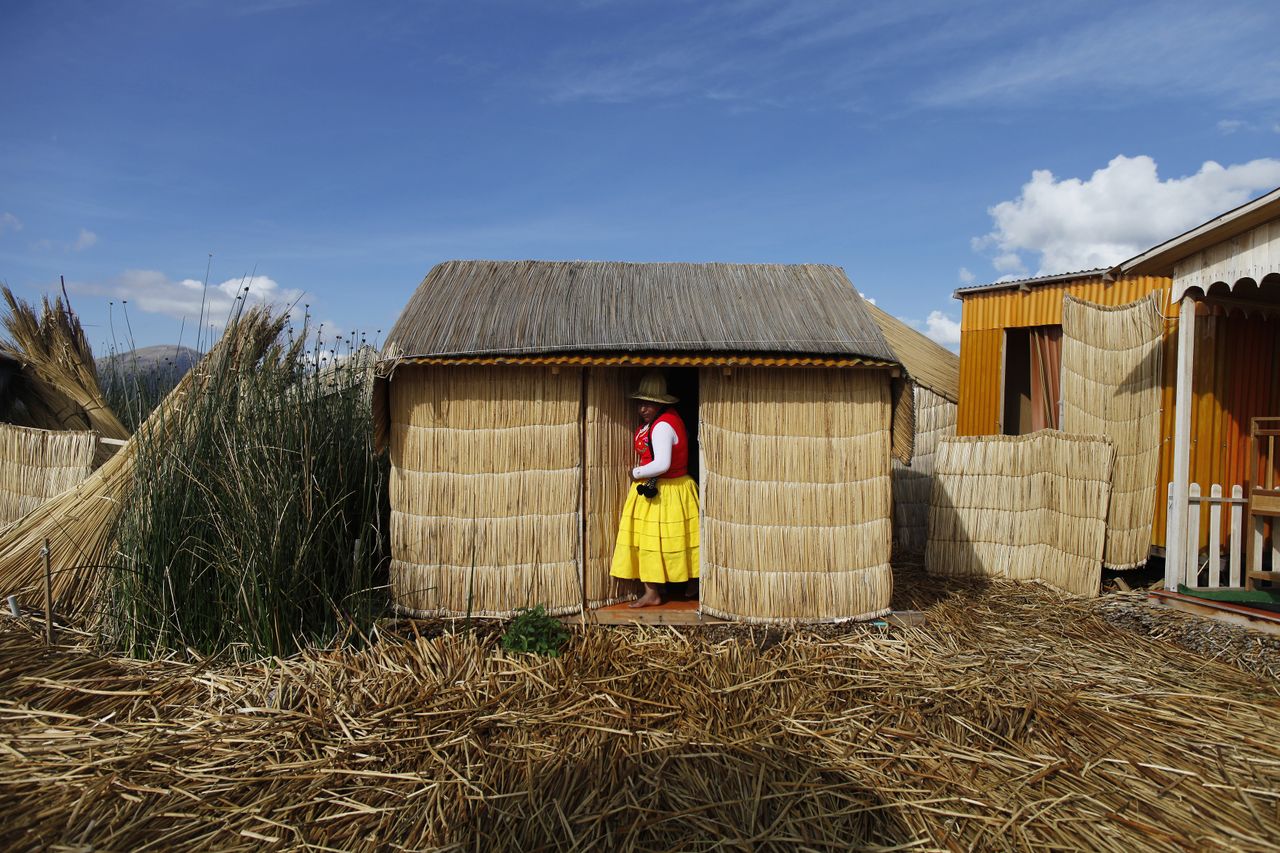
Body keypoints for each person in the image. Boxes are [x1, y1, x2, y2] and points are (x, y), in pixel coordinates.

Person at [610, 372, 700, 608]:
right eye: (641, 403)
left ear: (661, 403)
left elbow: (662, 464)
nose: (642, 408)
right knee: (676, 539)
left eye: (648, 403)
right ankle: (690, 585)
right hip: (674, 488)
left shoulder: (662, 426)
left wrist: (635, 473)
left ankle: (654, 592)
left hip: (665, 490)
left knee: (652, 541)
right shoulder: (668, 420)